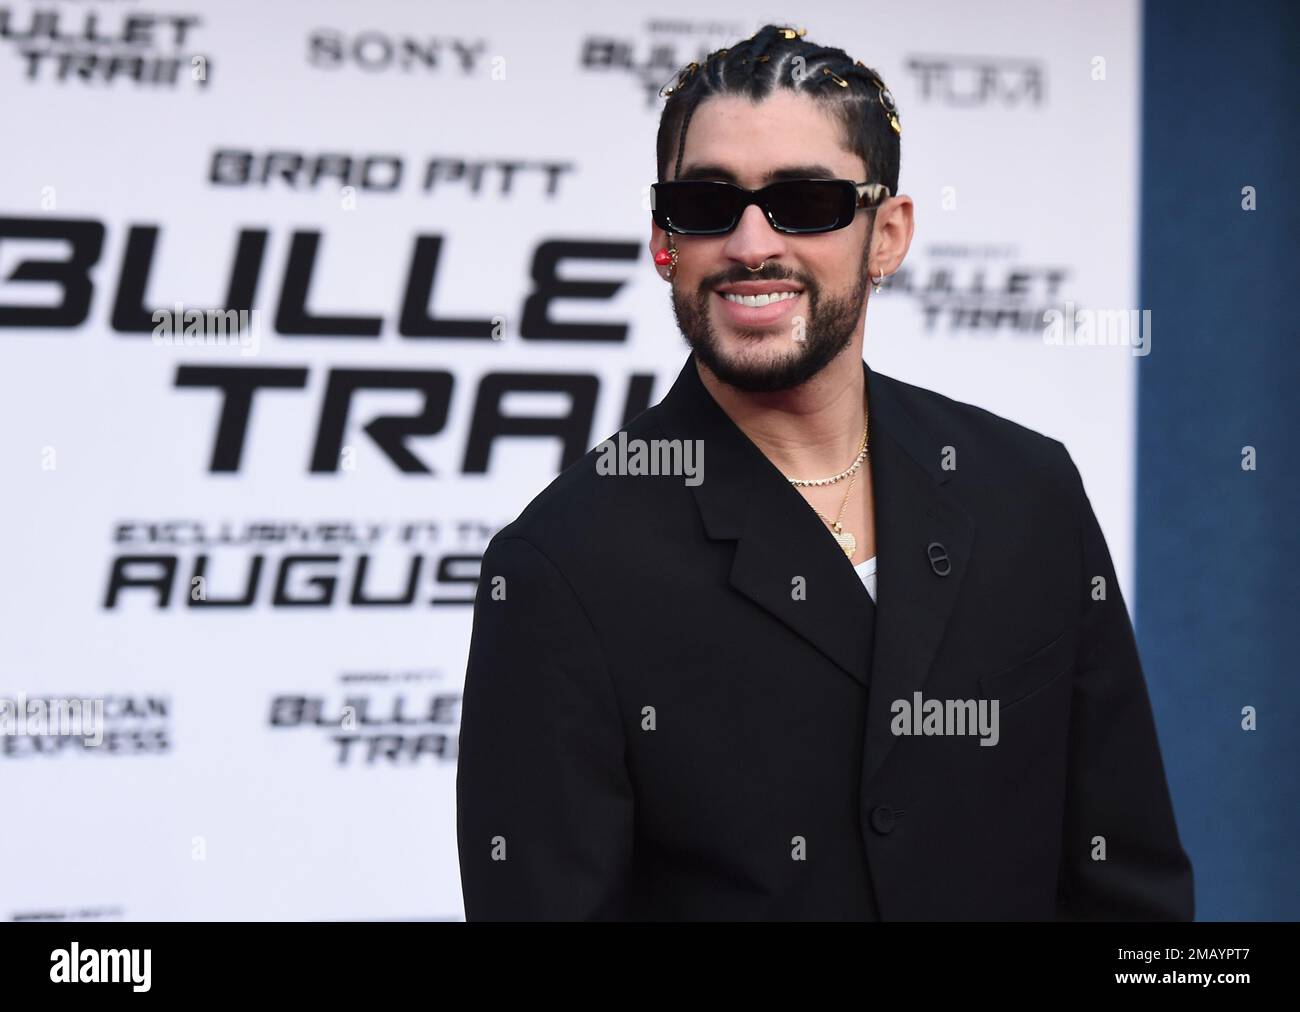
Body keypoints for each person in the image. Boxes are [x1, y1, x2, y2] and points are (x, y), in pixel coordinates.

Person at [455, 24, 1193, 921]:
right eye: (706, 203)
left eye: (805, 202)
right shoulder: (561, 568)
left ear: (888, 235)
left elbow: (1134, 890)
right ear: (663, 240)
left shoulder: (1028, 491)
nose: (750, 243)